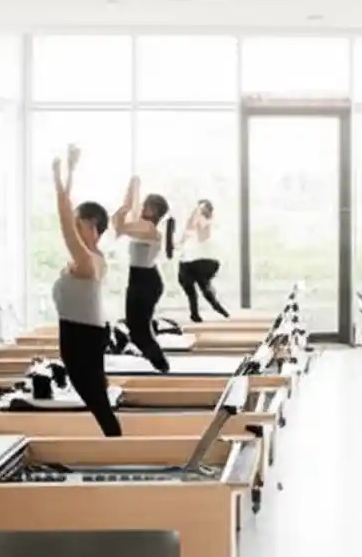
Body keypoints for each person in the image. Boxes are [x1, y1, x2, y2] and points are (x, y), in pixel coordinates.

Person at [50, 144, 121, 437]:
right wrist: (67, 173)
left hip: (82, 338)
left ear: (92, 228)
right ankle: (116, 445)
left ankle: (120, 449)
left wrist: (63, 175)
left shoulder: (88, 261)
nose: (72, 228)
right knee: (98, 402)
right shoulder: (87, 259)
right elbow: (67, 215)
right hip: (81, 335)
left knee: (99, 406)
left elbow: (63, 217)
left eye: (78, 223)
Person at [113, 176, 175, 373]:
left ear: (154, 211)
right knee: (137, 330)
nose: (141, 207)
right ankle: (161, 365)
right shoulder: (143, 225)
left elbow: (120, 225)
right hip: (140, 280)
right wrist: (133, 187)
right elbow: (124, 216)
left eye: (145, 205)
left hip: (146, 282)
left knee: (139, 332)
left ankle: (163, 367)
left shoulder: (147, 228)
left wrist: (125, 205)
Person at [176, 199, 229, 322]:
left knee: (204, 286)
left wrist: (198, 218)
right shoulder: (190, 227)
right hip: (188, 261)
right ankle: (196, 313)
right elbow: (181, 241)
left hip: (203, 262)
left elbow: (203, 237)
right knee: (192, 287)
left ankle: (217, 308)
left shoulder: (207, 224)